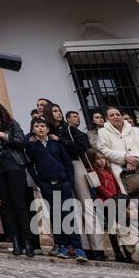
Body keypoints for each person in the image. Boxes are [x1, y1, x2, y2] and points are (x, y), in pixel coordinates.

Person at [24, 117, 84, 261]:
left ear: (48, 128)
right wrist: (39, 181)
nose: (40, 128)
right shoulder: (31, 146)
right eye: (37, 126)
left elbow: (68, 164)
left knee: (68, 214)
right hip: (46, 184)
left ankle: (78, 248)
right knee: (54, 215)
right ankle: (61, 245)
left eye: (43, 125)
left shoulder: (56, 144)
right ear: (33, 130)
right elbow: (29, 165)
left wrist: (69, 181)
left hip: (62, 183)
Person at [0, 101, 32, 255]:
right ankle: (15, 240)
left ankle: (27, 241)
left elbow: (21, 142)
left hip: (14, 166)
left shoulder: (11, 124)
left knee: (19, 204)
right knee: (7, 205)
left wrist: (4, 135)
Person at [51, 104, 101, 257]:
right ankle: (83, 246)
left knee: (86, 204)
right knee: (72, 208)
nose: (58, 113)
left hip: (75, 164)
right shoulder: (45, 130)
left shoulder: (69, 130)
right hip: (59, 168)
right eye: (54, 111)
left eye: (59, 110)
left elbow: (82, 147)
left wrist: (61, 140)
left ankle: (98, 247)